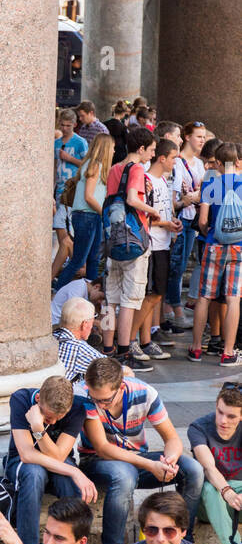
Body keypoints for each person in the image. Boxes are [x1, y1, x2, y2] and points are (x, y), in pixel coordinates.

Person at [79, 356, 203, 544]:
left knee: (193, 469)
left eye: (105, 400)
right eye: (96, 399)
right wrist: (149, 465)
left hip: (138, 458)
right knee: (124, 474)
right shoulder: (85, 396)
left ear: (121, 388)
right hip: (98, 461)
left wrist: (169, 460)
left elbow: (172, 438)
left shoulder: (145, 393)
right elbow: (102, 448)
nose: (100, 404)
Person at [3, 375, 95, 544]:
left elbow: (59, 456)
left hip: (56, 460)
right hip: (22, 461)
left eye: (59, 418)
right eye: (47, 416)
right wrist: (37, 427)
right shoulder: (21, 399)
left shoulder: (77, 407)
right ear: (38, 399)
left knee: (71, 484)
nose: (52, 422)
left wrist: (38, 429)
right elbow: (26, 455)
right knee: (34, 474)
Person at [104, 128, 162, 370]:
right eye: (151, 150)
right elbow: (131, 199)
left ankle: (108, 350)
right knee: (129, 300)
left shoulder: (114, 168)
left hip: (112, 239)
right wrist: (153, 211)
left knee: (110, 300)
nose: (152, 155)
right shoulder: (137, 168)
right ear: (140, 149)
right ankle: (125, 351)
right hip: (135, 239)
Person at [189, 141, 242, 366]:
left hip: (214, 244)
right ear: (237, 161)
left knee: (204, 296)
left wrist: (208, 231)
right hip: (239, 246)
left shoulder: (211, 182)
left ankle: (196, 348)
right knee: (233, 299)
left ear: (218, 163)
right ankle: (228, 352)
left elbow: (202, 220)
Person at [129, 138, 181, 363]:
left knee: (155, 295)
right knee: (151, 295)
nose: (175, 163)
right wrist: (165, 224)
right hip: (151, 243)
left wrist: (173, 223)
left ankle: (145, 340)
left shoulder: (163, 181)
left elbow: (164, 212)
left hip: (163, 242)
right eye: (173, 158)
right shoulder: (148, 179)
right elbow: (145, 218)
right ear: (162, 158)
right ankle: (131, 340)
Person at [189, 383, 242, 544]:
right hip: (211, 502)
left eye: (231, 416)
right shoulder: (199, 428)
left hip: (239, 501)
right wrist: (226, 490)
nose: (223, 420)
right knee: (209, 487)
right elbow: (208, 468)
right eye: (220, 412)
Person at [55, 133, 113, 289]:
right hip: (86, 216)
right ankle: (58, 291)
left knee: (93, 259)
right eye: (112, 148)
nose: (113, 151)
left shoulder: (91, 164)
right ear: (106, 149)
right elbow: (89, 196)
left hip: (91, 216)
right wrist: (104, 213)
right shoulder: (95, 166)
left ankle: (88, 293)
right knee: (79, 261)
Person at [165, 121, 207, 329]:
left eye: (204, 137)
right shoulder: (178, 162)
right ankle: (175, 308)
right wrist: (186, 200)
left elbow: (203, 191)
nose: (202, 140)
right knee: (177, 266)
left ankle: (169, 307)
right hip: (180, 218)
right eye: (199, 136)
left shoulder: (199, 164)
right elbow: (173, 199)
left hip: (194, 219)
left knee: (180, 266)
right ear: (188, 137)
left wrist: (197, 196)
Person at [56, 297, 109, 391]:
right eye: (93, 319)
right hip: (61, 400)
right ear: (84, 324)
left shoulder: (52, 336)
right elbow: (115, 371)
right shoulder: (79, 349)